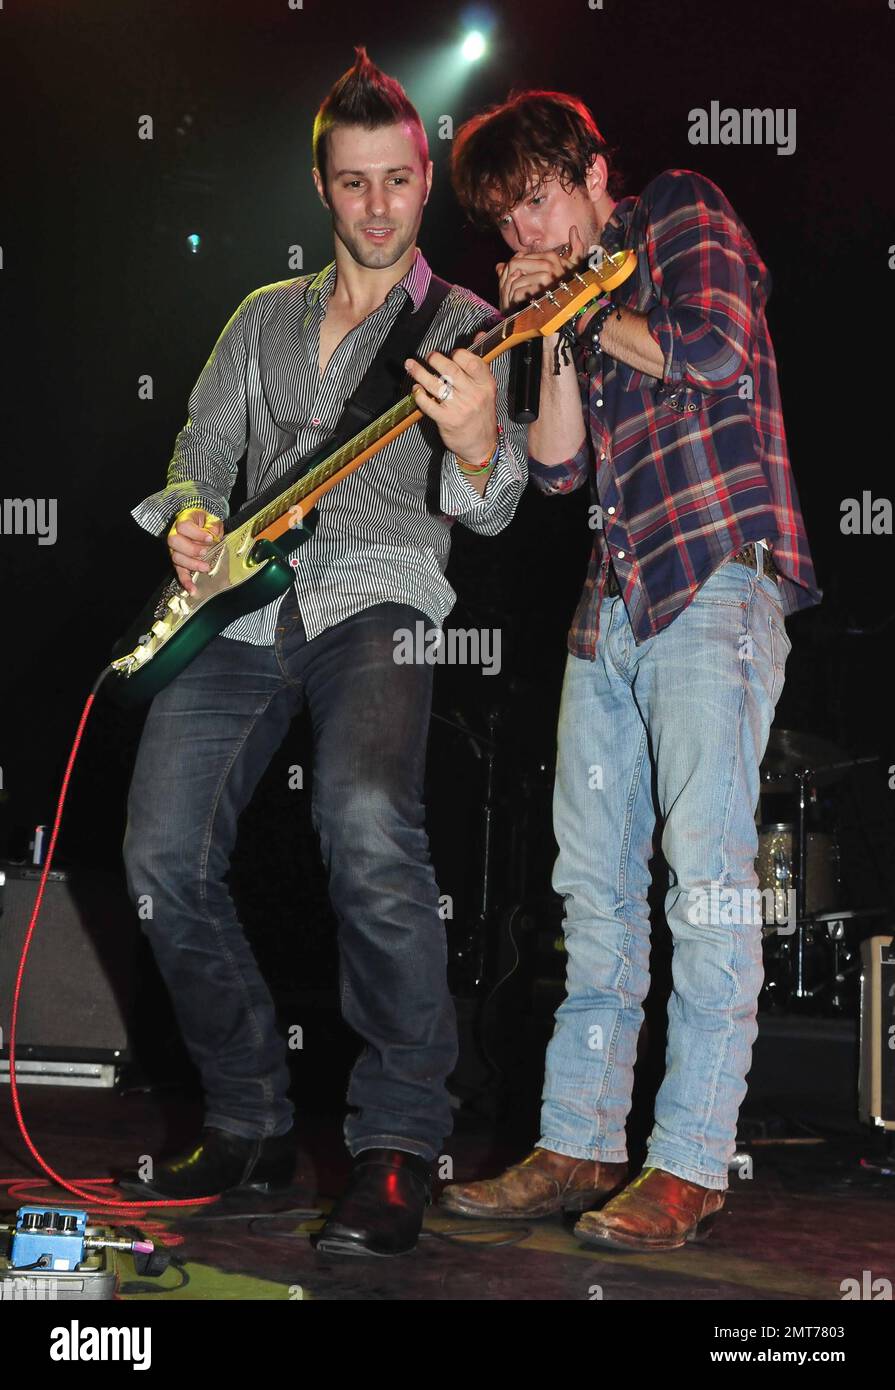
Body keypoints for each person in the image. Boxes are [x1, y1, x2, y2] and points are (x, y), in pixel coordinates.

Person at [117, 49, 527, 1258]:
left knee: (359, 813)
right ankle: (247, 1115)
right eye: (353, 184)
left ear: (423, 180)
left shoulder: (465, 325)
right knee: (155, 856)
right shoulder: (259, 317)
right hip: (242, 611)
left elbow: (496, 505)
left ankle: (397, 1143)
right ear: (322, 187)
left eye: (398, 181)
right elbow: (199, 454)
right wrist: (194, 518)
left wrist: (475, 436)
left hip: (378, 599)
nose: (378, 206)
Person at [440, 90, 820, 1251]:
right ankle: (578, 1139)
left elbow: (712, 350)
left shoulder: (677, 215)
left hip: (715, 578)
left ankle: (691, 1160)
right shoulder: (575, 298)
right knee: (590, 890)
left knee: (703, 878)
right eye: (508, 224)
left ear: (593, 171)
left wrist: (580, 304)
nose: (529, 237)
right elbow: (555, 471)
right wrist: (552, 330)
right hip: (612, 601)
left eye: (541, 201)